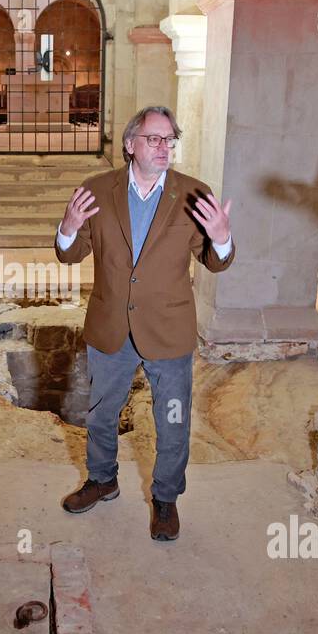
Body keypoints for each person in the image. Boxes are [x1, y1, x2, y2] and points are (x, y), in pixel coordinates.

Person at [56, 105, 234, 541]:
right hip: (111, 325)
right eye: (154, 138)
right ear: (130, 144)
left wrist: (223, 237)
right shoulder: (97, 190)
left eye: (169, 139)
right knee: (101, 414)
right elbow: (69, 254)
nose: (164, 147)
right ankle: (103, 480)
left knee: (172, 420)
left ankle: (166, 499)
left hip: (168, 329)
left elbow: (215, 262)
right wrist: (68, 225)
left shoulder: (194, 194)